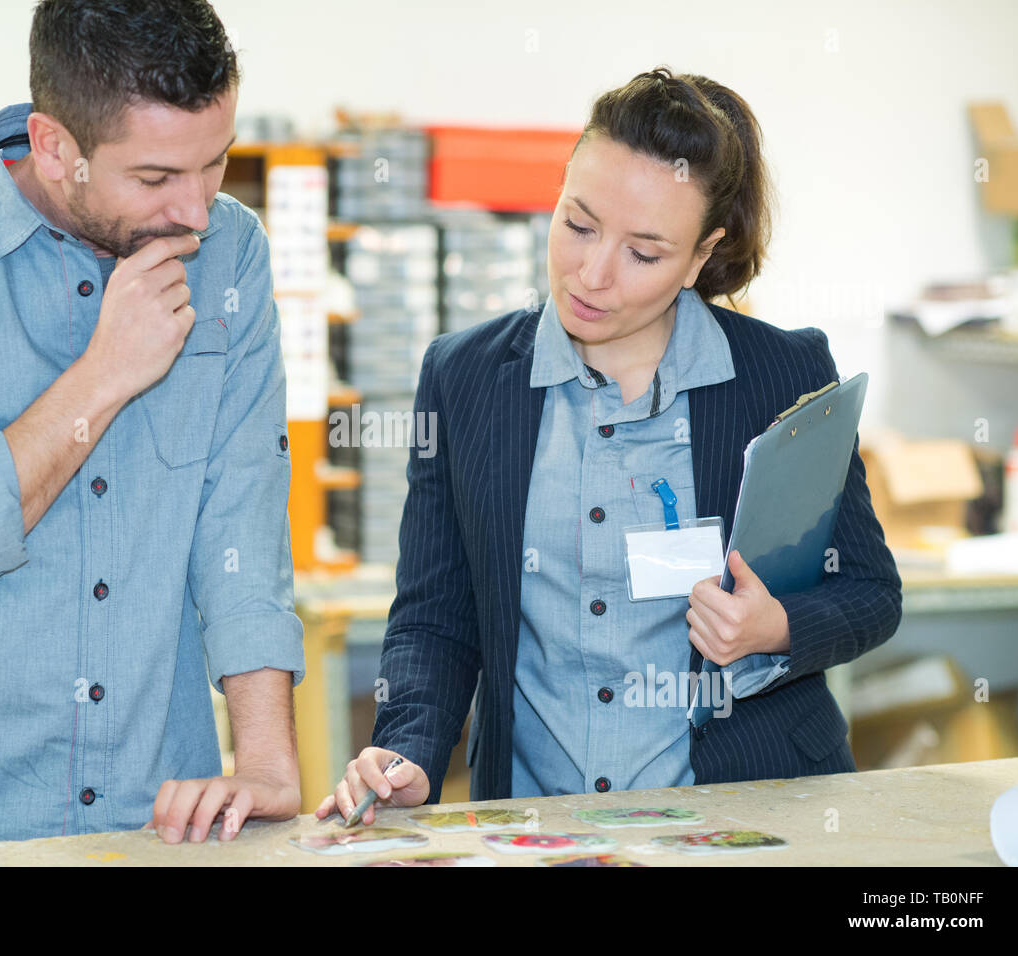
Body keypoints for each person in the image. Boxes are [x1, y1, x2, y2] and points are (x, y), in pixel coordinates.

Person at [317, 67, 902, 822]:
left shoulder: (779, 375)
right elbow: (435, 614)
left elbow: (869, 590)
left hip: (748, 817)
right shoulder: (463, 378)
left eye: (645, 253)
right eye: (578, 224)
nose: (591, 275)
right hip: (538, 827)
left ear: (700, 256)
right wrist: (410, 751)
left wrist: (776, 628)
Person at [0, 0, 303, 854]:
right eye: (154, 179)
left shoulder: (232, 253)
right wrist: (102, 377)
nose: (196, 211)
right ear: (53, 147)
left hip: (154, 824)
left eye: (216, 164)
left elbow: (243, 525)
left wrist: (264, 762)